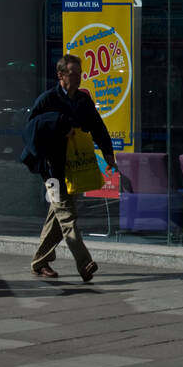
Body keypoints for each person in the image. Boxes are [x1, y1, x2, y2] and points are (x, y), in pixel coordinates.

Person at [25, 55, 116, 283]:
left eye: (80, 73)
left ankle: (40, 261)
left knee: (56, 217)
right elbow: (31, 130)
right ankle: (85, 264)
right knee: (67, 216)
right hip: (51, 170)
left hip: (73, 169)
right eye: (73, 73)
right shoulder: (47, 100)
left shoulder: (83, 101)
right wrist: (59, 126)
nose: (79, 77)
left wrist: (108, 153)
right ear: (61, 75)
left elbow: (98, 126)